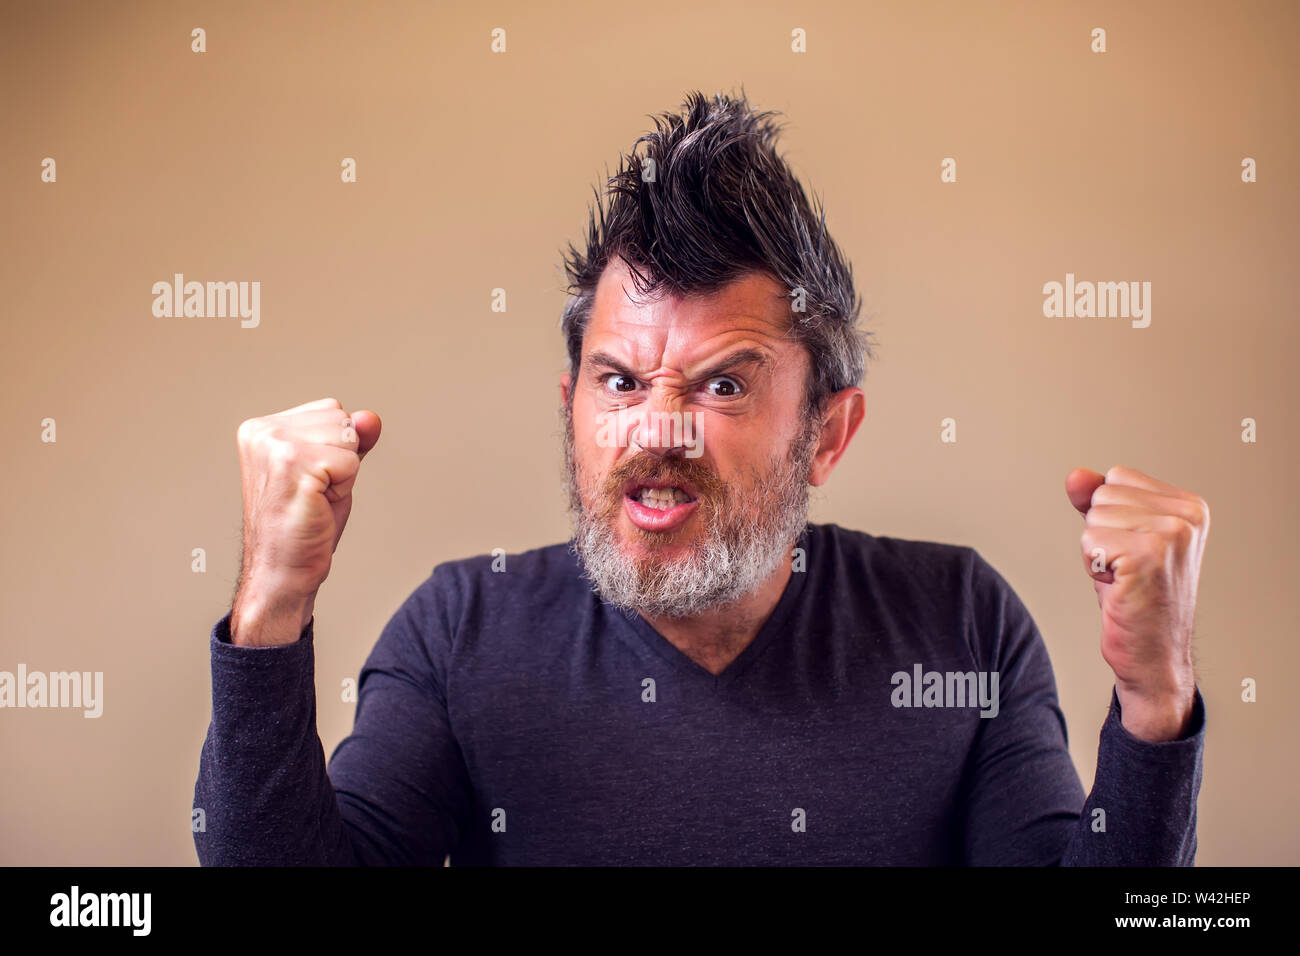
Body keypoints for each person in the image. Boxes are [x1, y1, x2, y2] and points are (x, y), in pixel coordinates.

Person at [194, 90, 1207, 866]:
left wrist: (1154, 701)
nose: (659, 428)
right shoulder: (458, 629)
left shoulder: (959, 620)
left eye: (723, 382)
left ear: (827, 434)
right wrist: (270, 612)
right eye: (621, 380)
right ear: (571, 407)